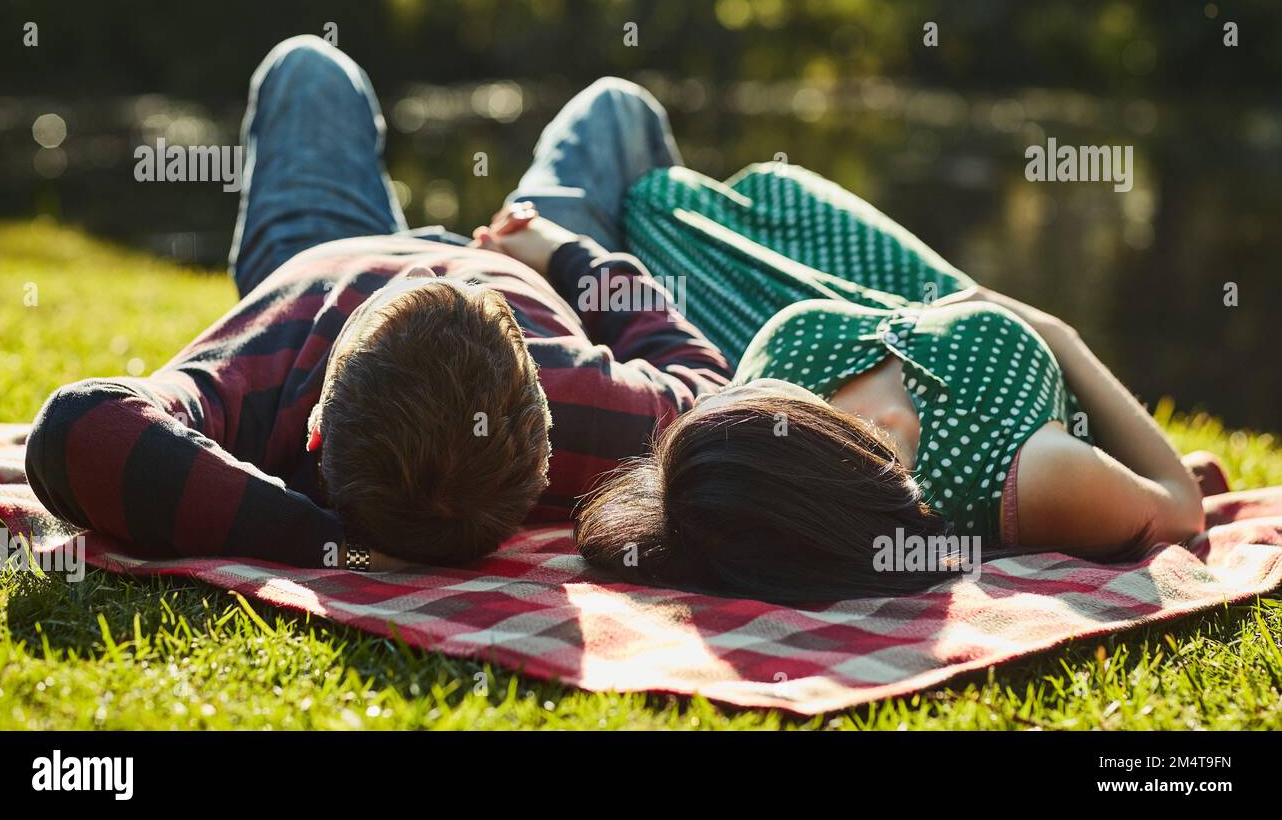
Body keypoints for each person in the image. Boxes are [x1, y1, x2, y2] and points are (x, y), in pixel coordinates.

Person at [477, 78, 1264, 605]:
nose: (751, 393)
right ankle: (471, 252)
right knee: (626, 131)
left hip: (837, 290)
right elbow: (1182, 509)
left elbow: (707, 390)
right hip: (966, 317)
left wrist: (565, 260)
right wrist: (1053, 330)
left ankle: (472, 252)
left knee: (638, 145)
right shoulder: (1031, 473)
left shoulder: (773, 368)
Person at [23, 38, 729, 572]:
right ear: (547, 430)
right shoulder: (594, 409)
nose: (428, 261)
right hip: (523, 251)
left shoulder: (263, 378)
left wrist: (332, 545)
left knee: (308, 66)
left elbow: (79, 429)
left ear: (317, 427)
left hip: (327, 254)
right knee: (615, 105)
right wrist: (568, 257)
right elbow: (709, 384)